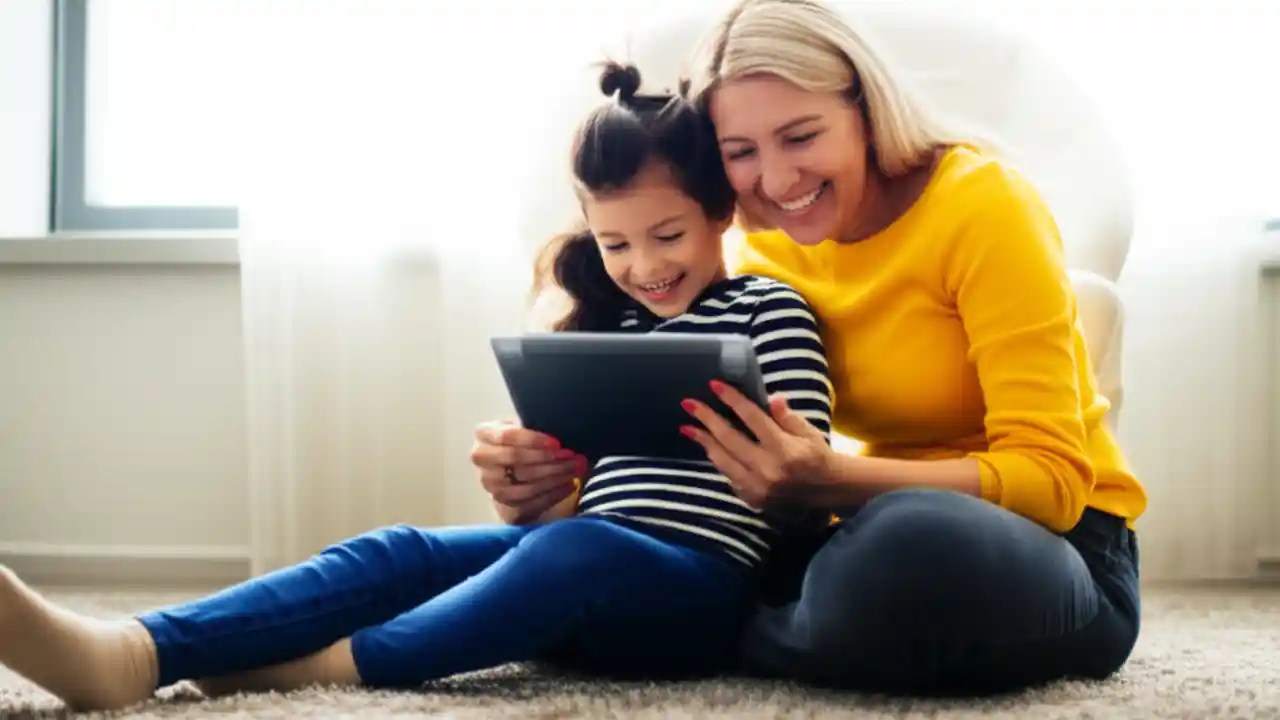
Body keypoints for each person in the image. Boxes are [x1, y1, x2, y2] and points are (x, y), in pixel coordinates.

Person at [0, 62, 832, 712]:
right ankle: (136, 652)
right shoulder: (605, 326)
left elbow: (807, 487)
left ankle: (306, 670)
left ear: (721, 213)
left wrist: (771, 464)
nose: (644, 266)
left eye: (667, 235)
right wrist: (530, 476)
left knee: (578, 550)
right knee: (405, 549)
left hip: (698, 592)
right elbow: (560, 507)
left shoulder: (770, 308)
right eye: (615, 244)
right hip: (574, 558)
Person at [667, 0, 1149, 695]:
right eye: (740, 153)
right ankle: (786, 622)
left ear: (865, 108)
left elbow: (1053, 485)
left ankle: (737, 634)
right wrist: (558, 490)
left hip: (1063, 551)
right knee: (677, 554)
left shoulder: (982, 206)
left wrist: (833, 478)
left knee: (904, 543)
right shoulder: (759, 253)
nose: (776, 182)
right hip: (866, 523)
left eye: (801, 136)